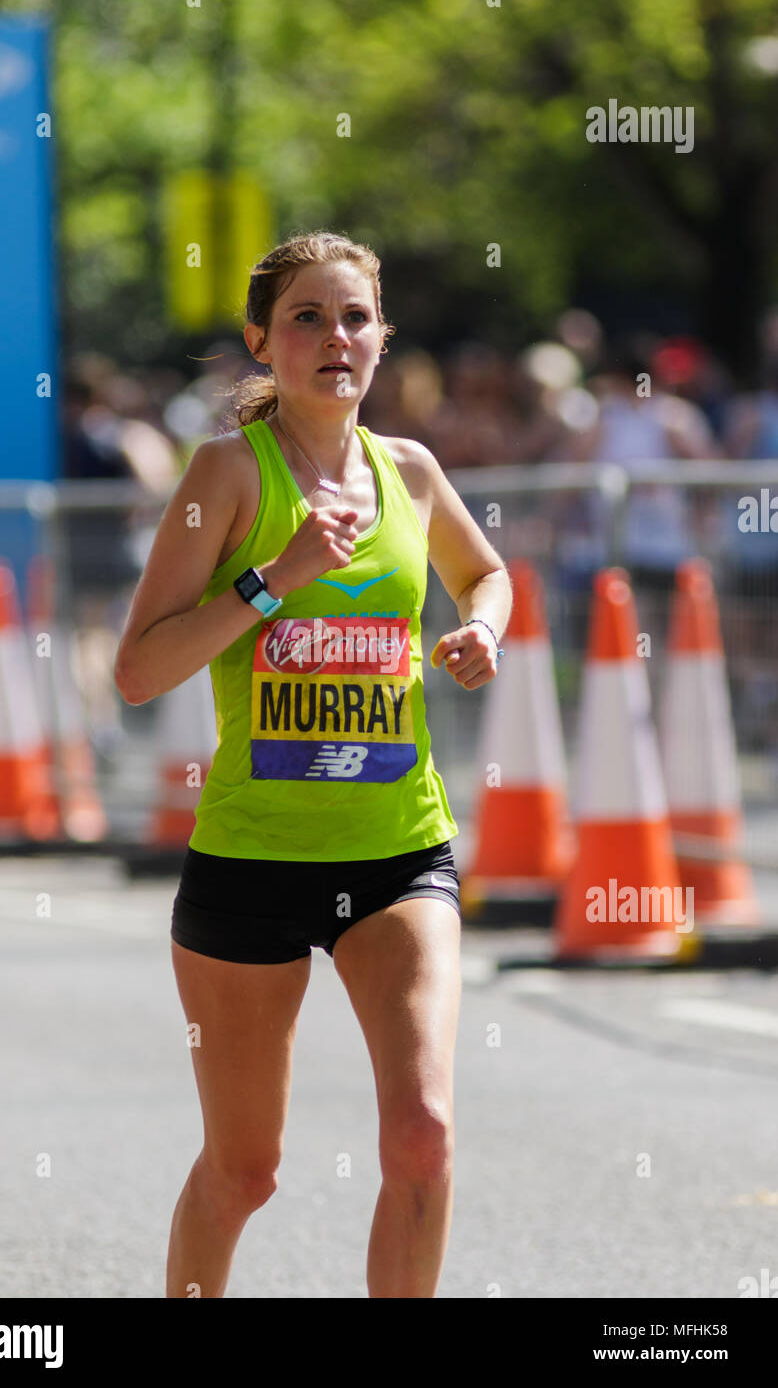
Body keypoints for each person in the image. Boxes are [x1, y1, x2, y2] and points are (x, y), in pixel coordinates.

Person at [114, 230, 511, 1298]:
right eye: (305, 318)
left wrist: (482, 629)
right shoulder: (224, 475)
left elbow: (485, 575)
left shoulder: (411, 474)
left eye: (353, 319)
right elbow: (139, 670)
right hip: (251, 861)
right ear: (260, 341)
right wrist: (270, 582)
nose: (333, 338)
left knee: (422, 1135)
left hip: (396, 850)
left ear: (380, 340)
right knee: (245, 1172)